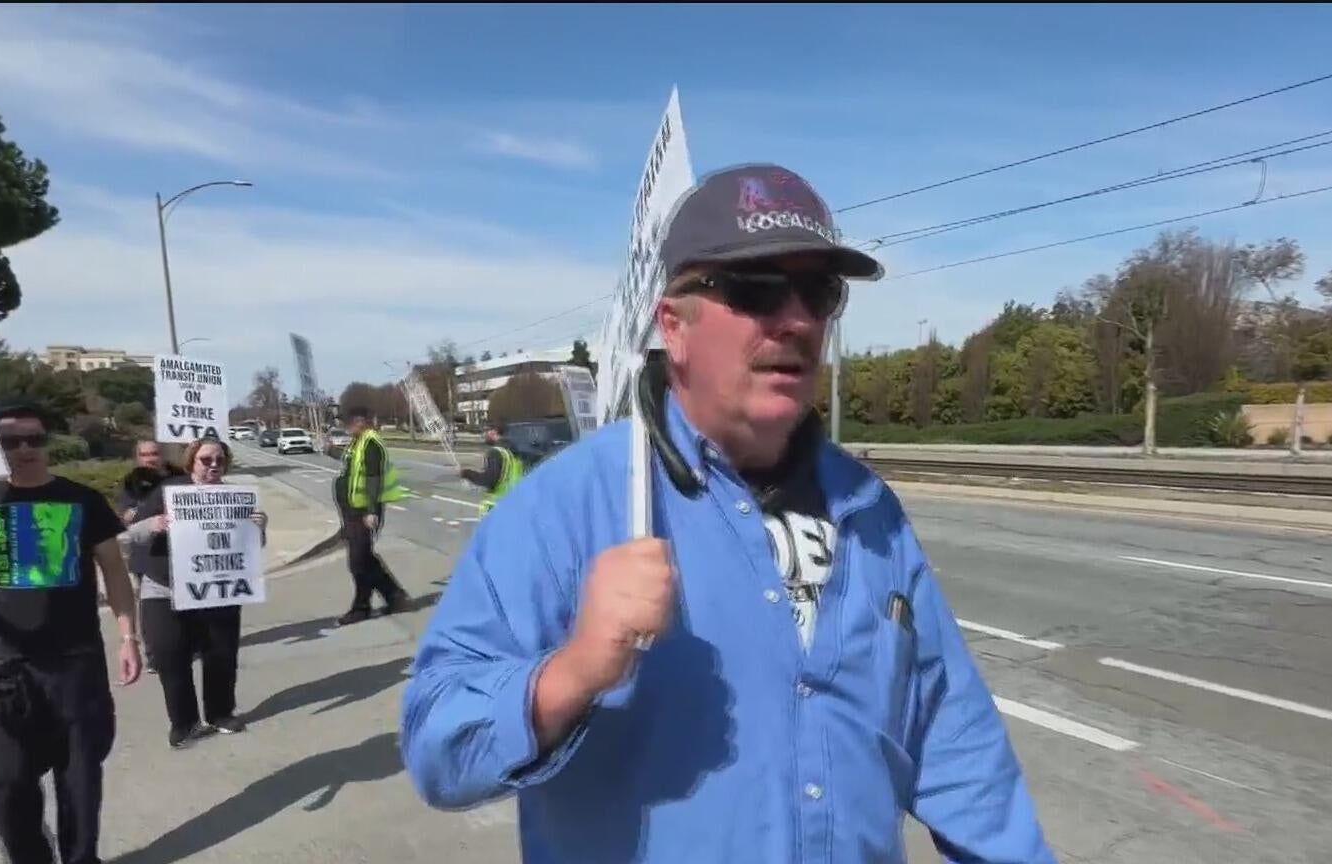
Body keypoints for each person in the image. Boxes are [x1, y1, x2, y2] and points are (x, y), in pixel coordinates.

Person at [400, 164, 1053, 863]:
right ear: (673, 327)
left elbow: (956, 745)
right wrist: (574, 671)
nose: (796, 320)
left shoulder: (869, 509)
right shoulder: (565, 506)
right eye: (755, 289)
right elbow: (440, 748)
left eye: (818, 293)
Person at [0, 404, 142, 864]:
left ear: (47, 442)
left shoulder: (83, 501)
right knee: (7, 776)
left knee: (80, 778)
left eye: (33, 438)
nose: (24, 448)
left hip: (76, 660)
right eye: (11, 441)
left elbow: (114, 572)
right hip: (7, 665)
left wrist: (128, 637)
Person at [129, 437, 266, 749]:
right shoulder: (168, 492)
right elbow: (129, 534)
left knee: (221, 654)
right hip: (164, 588)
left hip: (218, 590)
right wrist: (154, 524)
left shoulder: (236, 497)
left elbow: (251, 548)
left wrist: (259, 528)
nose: (214, 465)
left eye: (220, 460)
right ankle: (184, 723)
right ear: (191, 461)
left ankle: (220, 713)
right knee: (169, 654)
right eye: (206, 460)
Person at [333, 409, 413, 625]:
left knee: (358, 562)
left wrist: (371, 511)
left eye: (349, 422)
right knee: (365, 559)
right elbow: (349, 462)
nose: (346, 427)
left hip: (362, 512)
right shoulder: (358, 442)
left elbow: (373, 478)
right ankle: (395, 597)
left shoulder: (371, 443)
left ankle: (362, 607)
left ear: (361, 421)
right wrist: (329, 449)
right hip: (352, 511)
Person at [116, 439, 181, 672]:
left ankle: (187, 644)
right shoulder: (132, 482)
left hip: (179, 553)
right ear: (137, 458)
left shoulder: (178, 476)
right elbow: (125, 517)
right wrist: (142, 514)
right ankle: (155, 656)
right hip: (145, 555)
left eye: (154, 453)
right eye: (144, 455)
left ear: (162, 455)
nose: (150, 459)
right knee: (151, 610)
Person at [460, 420, 524, 516]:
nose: (484, 434)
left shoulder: (495, 452)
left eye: (486, 431)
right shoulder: (514, 452)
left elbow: (488, 479)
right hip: (513, 503)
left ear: (494, 432)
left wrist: (467, 473)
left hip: (497, 506)